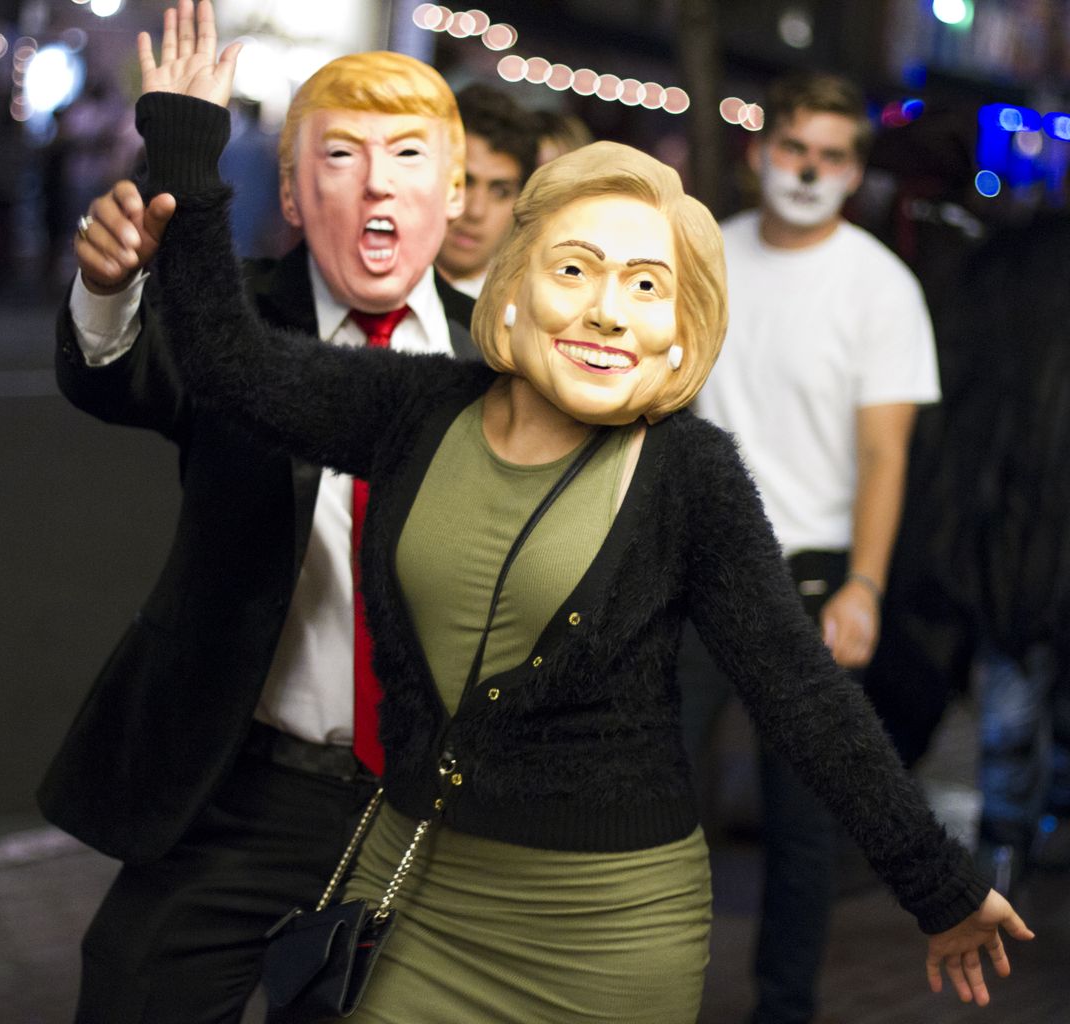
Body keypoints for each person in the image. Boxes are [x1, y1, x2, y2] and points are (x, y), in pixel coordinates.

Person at [129, 9, 1031, 1021]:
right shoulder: (415, 407)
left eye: (647, 287)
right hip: (411, 889)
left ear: (680, 327)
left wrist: (941, 887)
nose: (609, 310)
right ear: (515, 286)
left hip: (602, 928)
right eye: (576, 271)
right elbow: (228, 360)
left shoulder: (690, 474)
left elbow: (802, 696)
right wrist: (186, 145)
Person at [37, 2, 473, 1019]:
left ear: (450, 194)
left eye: (408, 155)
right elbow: (122, 376)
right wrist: (110, 288)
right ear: (286, 188)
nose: (375, 182)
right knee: (136, 984)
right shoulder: (229, 311)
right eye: (340, 155)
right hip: (251, 786)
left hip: (432, 811)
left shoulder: (501, 358)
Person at [676, 71, 941, 1024]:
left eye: (833, 155)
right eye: (796, 148)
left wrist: (864, 585)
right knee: (652, 795)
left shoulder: (882, 285)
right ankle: (636, 991)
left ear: (855, 172)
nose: (810, 169)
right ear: (761, 152)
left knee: (802, 824)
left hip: (815, 577)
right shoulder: (705, 255)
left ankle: (781, 1010)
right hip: (693, 564)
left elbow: (885, 451)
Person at [931, 212, 1070, 893]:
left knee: (1012, 704)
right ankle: (1015, 846)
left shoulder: (1008, 262)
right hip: (1020, 526)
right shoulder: (1016, 262)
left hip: (1013, 528)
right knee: (1015, 699)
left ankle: (1006, 850)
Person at [435, 82, 536, 299]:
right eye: (463, 182)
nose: (476, 211)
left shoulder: (525, 319)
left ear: (521, 203)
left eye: (500, 192)